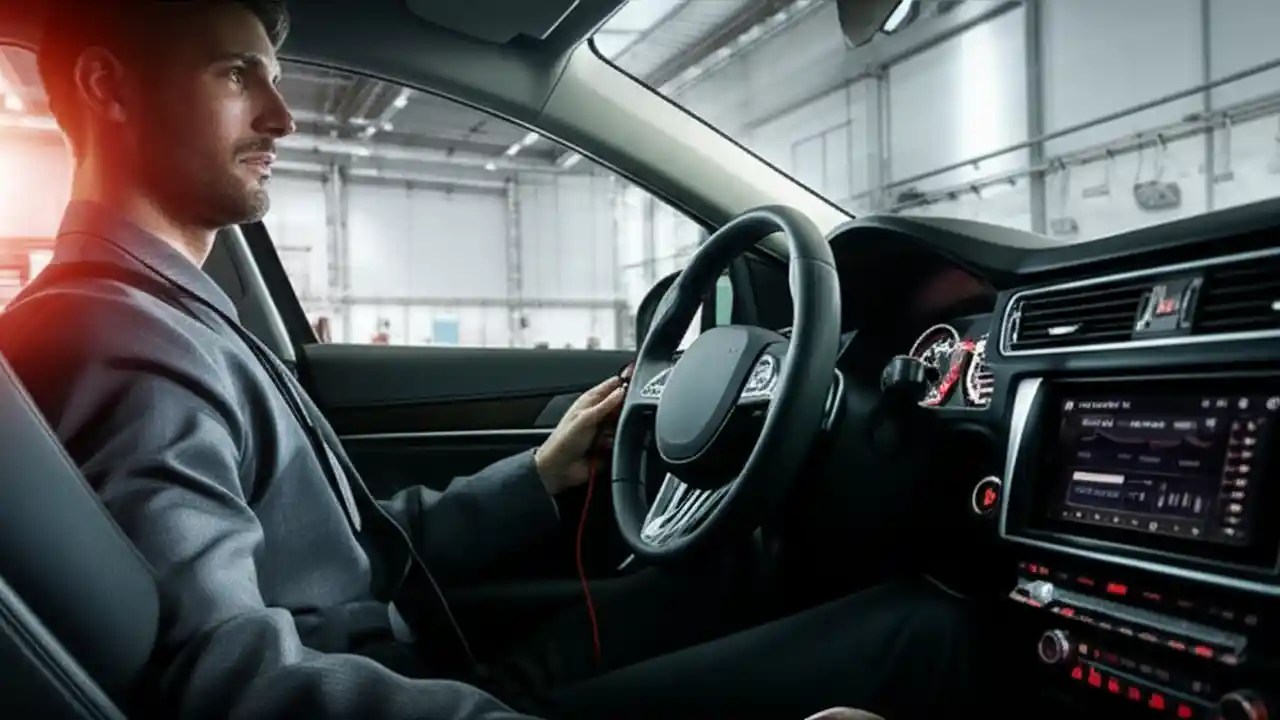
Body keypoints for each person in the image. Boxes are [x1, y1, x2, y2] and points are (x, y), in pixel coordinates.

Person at [0, 2, 982, 719]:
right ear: (104, 88)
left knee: (733, 576)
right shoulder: (114, 339)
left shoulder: (168, 311)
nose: (281, 115)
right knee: (921, 634)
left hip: (414, 660)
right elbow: (226, 680)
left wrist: (539, 476)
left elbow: (342, 547)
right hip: (419, 693)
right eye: (233, 74)